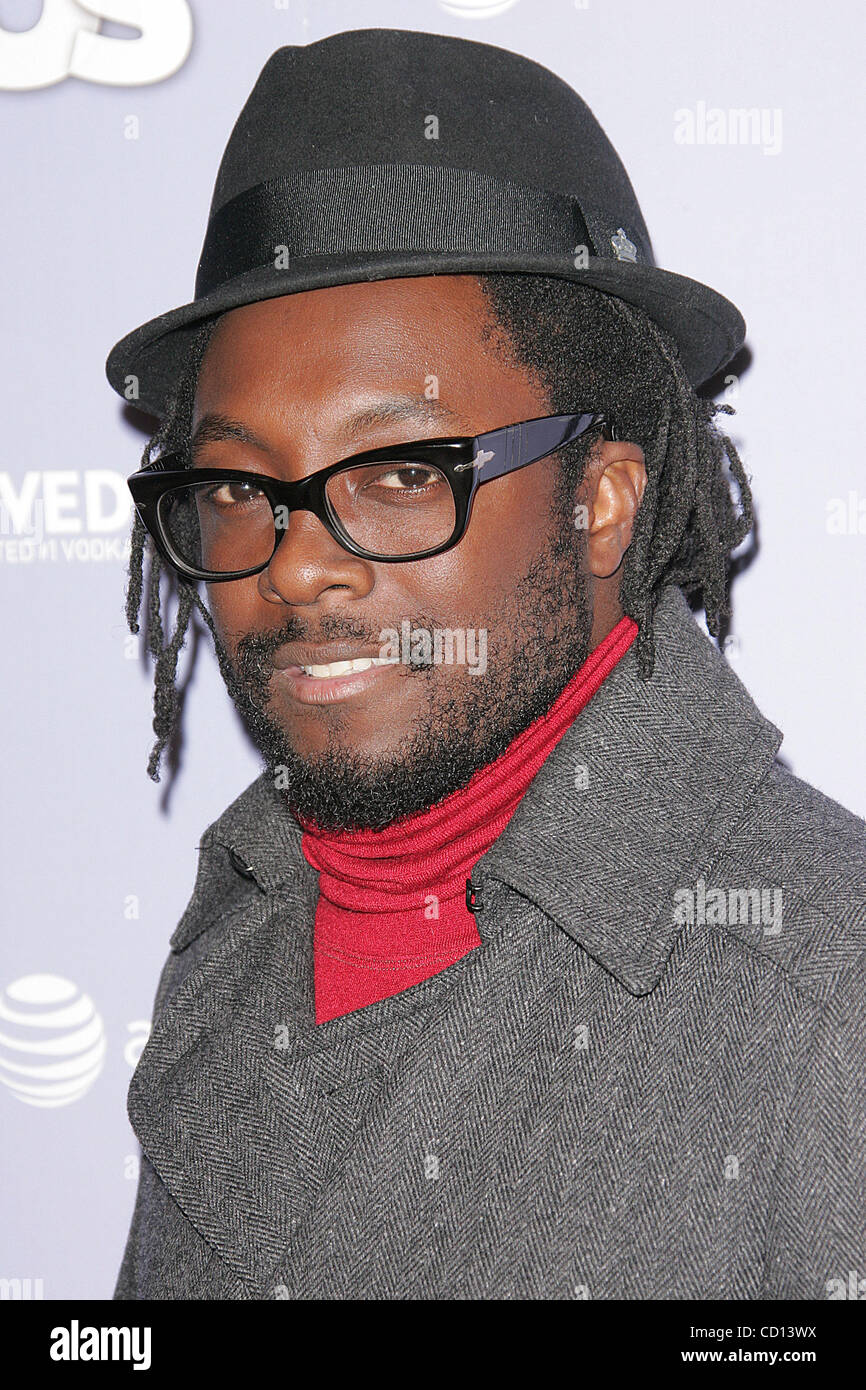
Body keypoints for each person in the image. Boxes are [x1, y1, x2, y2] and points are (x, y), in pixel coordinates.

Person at [106, 28, 866, 1300]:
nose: (294, 568)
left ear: (604, 500)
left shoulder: (826, 992)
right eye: (240, 484)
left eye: (402, 473)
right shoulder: (240, 925)